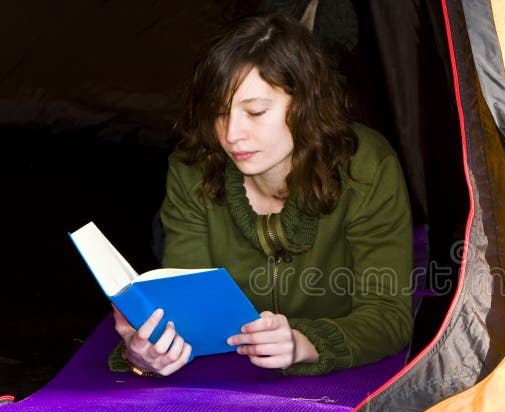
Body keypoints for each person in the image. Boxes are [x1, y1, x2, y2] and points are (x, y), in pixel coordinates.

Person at [110, 13, 413, 377]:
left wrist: (305, 343)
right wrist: (145, 352)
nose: (231, 134)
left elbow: (388, 314)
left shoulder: (366, 169)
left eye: (255, 112)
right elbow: (188, 317)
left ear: (306, 105)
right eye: (219, 113)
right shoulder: (192, 168)